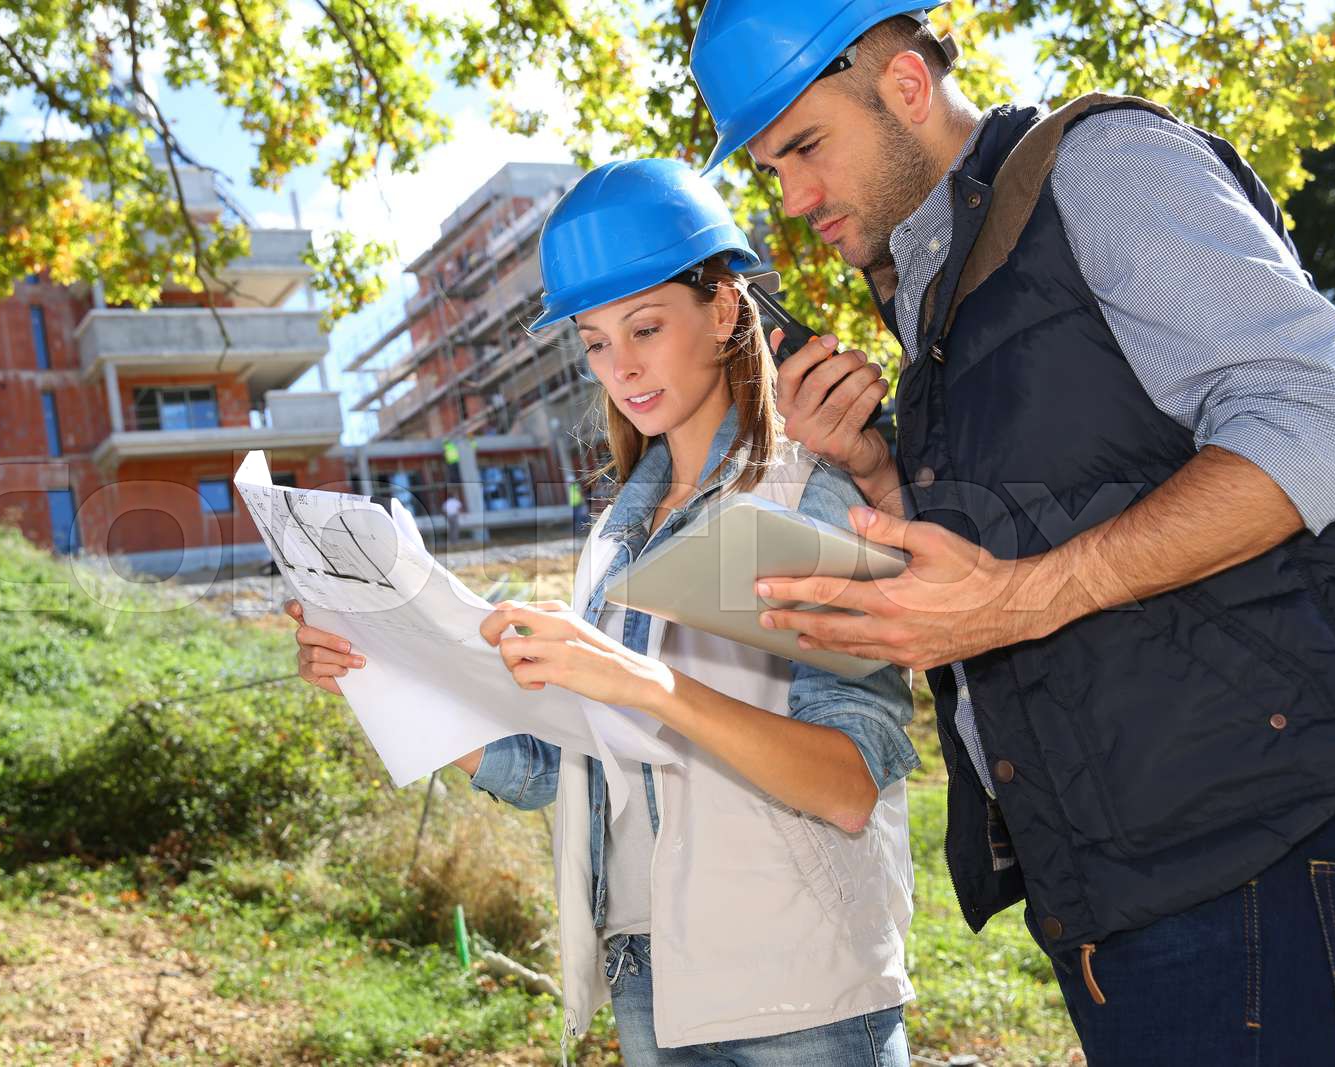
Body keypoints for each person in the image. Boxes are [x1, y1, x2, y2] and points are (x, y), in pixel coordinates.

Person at [688, 2, 1335, 1063]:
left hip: (1269, 866)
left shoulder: (1103, 164)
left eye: (806, 147)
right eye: (772, 170)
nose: (795, 199)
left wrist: (1020, 597)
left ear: (906, 85)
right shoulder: (931, 293)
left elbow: (1320, 424)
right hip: (1117, 897)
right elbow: (1006, 558)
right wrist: (876, 470)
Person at [287, 158, 920, 1065]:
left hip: (799, 996)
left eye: (645, 327)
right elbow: (562, 773)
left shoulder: (809, 493)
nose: (619, 367)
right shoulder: (613, 544)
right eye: (593, 341)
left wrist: (651, 685)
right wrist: (381, 663)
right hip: (648, 981)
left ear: (727, 310)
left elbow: (848, 781)